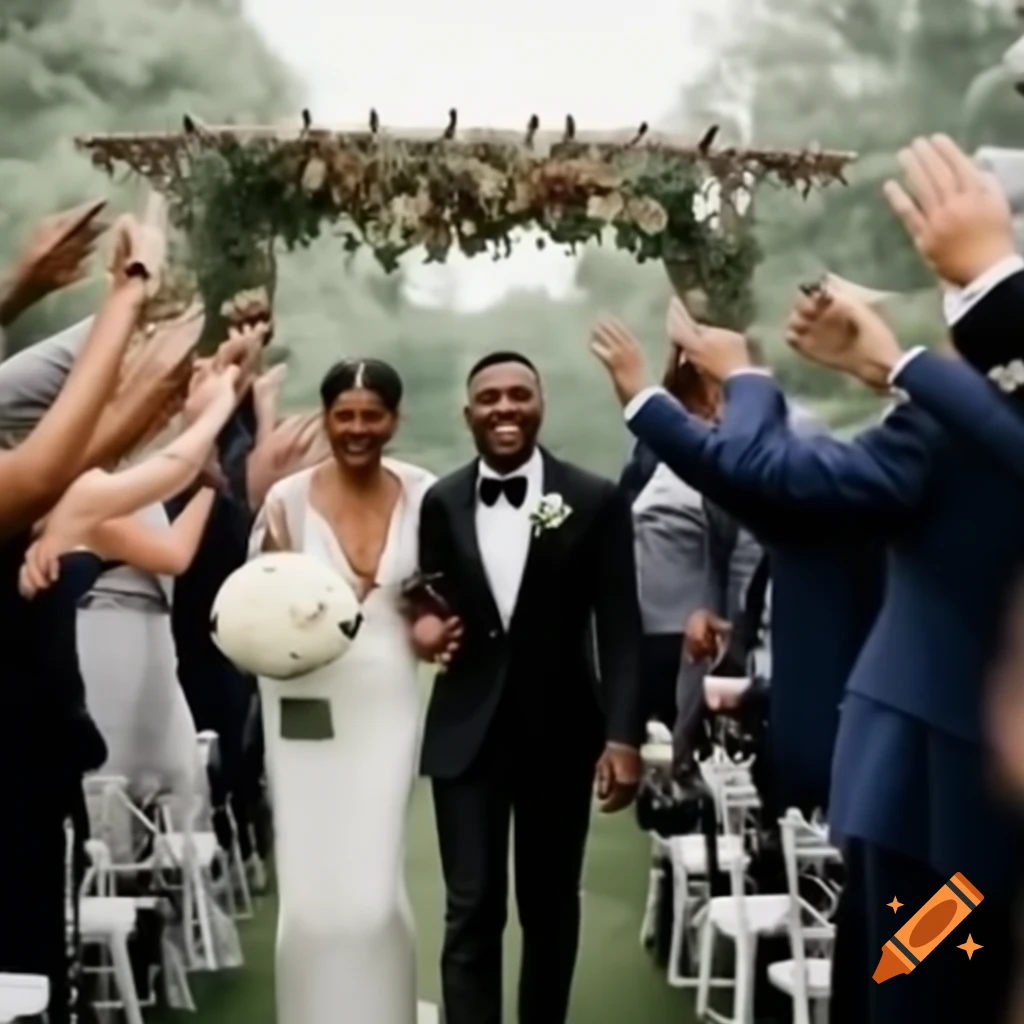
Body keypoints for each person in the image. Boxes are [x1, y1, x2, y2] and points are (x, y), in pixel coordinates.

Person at [414, 351, 644, 1024]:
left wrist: (623, 735)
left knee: (549, 907)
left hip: (560, 731)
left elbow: (622, 627)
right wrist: (423, 625)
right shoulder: (442, 500)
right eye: (490, 398)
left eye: (519, 395)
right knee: (471, 909)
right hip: (466, 737)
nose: (505, 409)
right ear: (468, 414)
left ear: (540, 405)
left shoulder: (595, 498)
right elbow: (430, 599)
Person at [590, 304, 883, 817]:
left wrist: (728, 380)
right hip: (818, 743)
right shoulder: (861, 463)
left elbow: (743, 471)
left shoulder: (840, 456)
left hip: (902, 736)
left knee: (959, 886)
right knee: (890, 890)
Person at [0, 210, 159, 1024]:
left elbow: (77, 459)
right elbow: (50, 465)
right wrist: (128, 296)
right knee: (26, 975)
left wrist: (22, 290)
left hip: (33, 749)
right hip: (16, 764)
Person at [251, 358, 442, 1024]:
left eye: (372, 415)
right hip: (301, 698)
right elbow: (252, 608)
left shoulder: (425, 493)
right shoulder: (286, 500)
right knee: (310, 881)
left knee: (370, 881)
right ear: (327, 417)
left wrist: (431, 626)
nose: (358, 428)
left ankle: (384, 1009)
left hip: (387, 696)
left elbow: (440, 595)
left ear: (395, 419)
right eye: (344, 415)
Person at [623, 313, 760, 775]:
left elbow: (742, 556)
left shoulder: (744, 452)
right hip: (648, 630)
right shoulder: (653, 455)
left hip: (701, 632)